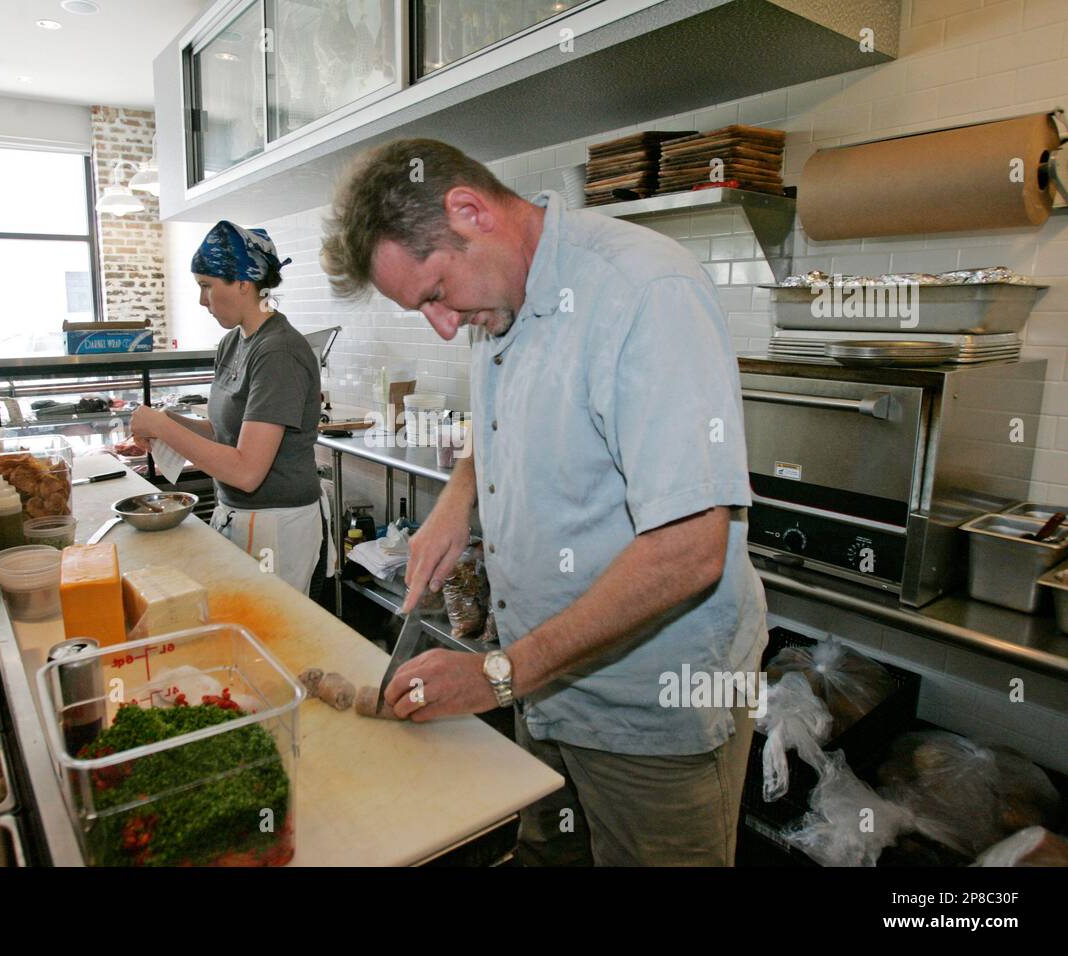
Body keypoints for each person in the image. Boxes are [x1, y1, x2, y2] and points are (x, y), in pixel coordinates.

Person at [319, 138, 767, 866]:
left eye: (433, 294)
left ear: (469, 212)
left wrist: (498, 673)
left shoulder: (643, 293)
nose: (442, 323)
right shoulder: (497, 297)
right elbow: (508, 419)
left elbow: (689, 550)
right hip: (544, 686)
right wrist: (457, 499)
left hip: (647, 715)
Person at [131, 220, 326, 595]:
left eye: (206, 286)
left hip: (277, 525)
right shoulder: (233, 343)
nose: (201, 300)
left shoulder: (279, 352)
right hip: (235, 513)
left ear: (243, 283)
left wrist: (164, 426)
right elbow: (225, 434)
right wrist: (164, 422)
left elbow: (247, 470)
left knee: (270, 635)